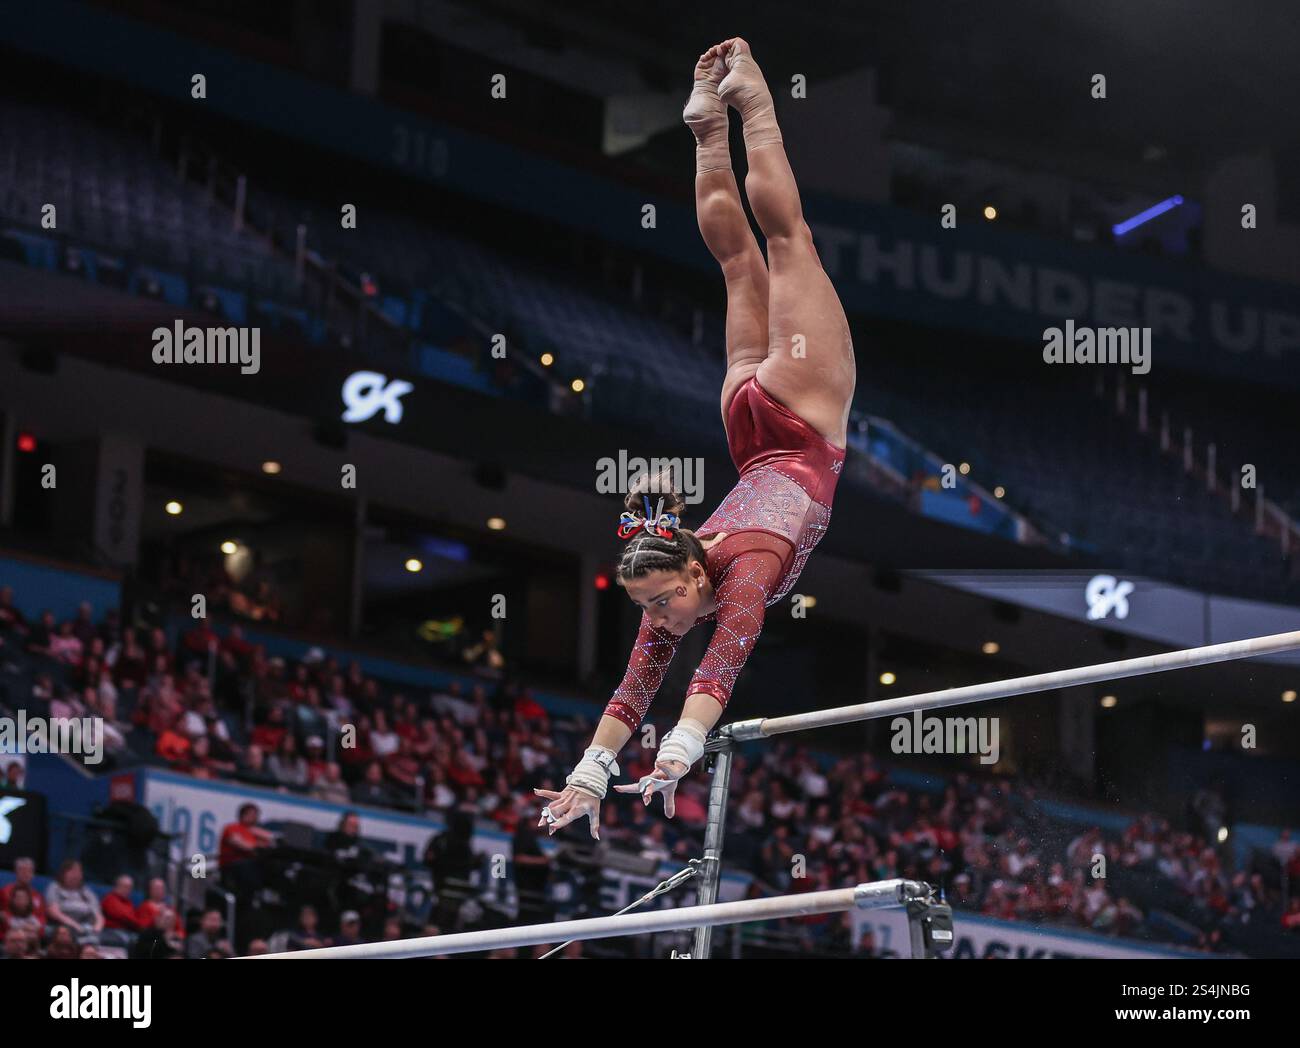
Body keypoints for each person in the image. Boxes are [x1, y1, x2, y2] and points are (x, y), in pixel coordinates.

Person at [537, 39, 855, 838]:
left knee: (785, 246)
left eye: (662, 604)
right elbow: (631, 691)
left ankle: (751, 105)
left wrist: (678, 750)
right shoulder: (677, 582)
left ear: (687, 569)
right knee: (741, 265)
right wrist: (589, 776)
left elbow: (723, 661)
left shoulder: (741, 568)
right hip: (747, 419)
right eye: (651, 610)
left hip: (800, 418)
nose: (661, 621)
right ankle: (707, 130)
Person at [45, 860, 104, 940]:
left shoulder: (86, 891)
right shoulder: (55, 887)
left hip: (86, 924)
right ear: (64, 873)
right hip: (64, 923)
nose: (76, 875)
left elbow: (98, 915)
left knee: (96, 937)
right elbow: (53, 912)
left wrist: (97, 929)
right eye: (72, 871)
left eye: (79, 871)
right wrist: (76, 926)